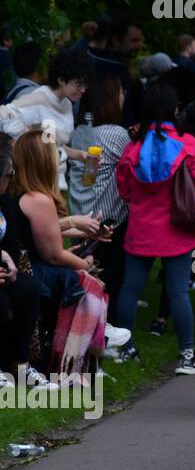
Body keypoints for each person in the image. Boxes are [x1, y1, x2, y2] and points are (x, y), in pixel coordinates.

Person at [6, 130, 126, 380]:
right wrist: (85, 263)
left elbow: (44, 233)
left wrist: (81, 230)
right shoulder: (39, 199)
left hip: (24, 264)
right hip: (30, 270)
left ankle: (96, 342)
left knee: (76, 274)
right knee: (85, 281)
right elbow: (53, 255)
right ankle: (90, 346)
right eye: (55, 156)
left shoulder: (15, 192)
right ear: (43, 161)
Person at [113, 82, 195, 375]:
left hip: (141, 228)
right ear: (174, 109)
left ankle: (125, 348)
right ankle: (187, 356)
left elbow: (124, 189)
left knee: (130, 288)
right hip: (177, 229)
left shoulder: (133, 147)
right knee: (179, 292)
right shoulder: (188, 144)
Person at [67, 73, 131, 324]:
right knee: (108, 282)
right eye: (120, 92)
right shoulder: (116, 133)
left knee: (85, 279)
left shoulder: (79, 131)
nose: (124, 96)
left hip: (79, 216)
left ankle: (83, 329)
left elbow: (89, 176)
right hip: (108, 222)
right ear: (110, 99)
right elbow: (133, 167)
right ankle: (107, 331)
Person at [0, 48, 99, 190]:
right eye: (78, 84)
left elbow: (54, 144)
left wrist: (80, 155)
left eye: (85, 85)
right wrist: (27, 145)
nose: (83, 90)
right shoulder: (38, 99)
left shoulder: (66, 103)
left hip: (57, 185)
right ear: (60, 79)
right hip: (37, 186)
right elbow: (4, 116)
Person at [0, 134, 49, 390]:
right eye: (8, 174)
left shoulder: (5, 200)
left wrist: (8, 266)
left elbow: (11, 242)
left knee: (29, 288)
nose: (11, 178)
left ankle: (21, 366)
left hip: (4, 270)